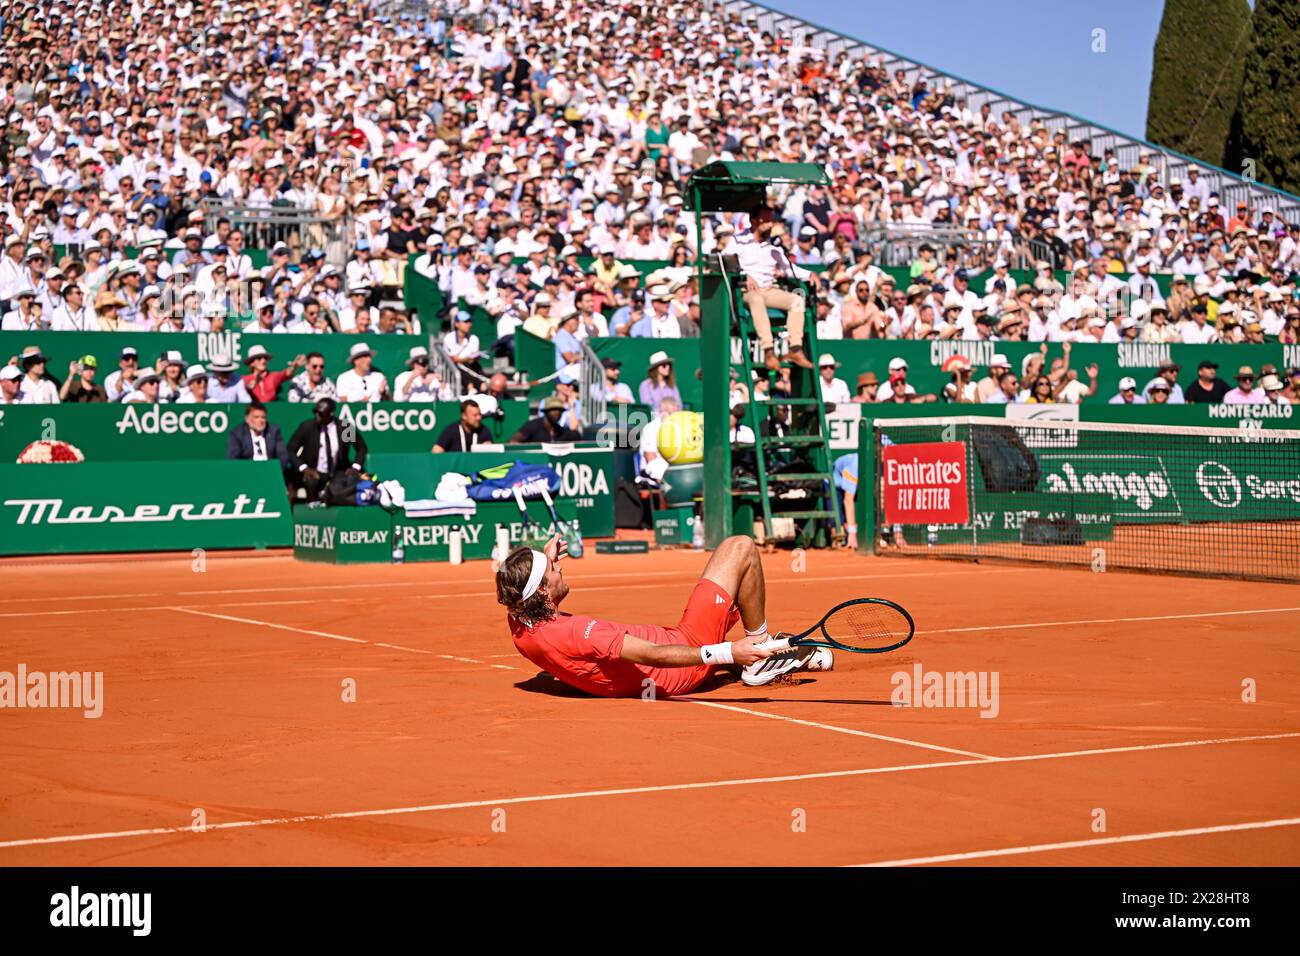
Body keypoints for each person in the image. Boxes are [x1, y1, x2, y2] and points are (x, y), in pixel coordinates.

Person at [498, 533, 833, 697]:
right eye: (554, 570)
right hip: (679, 661)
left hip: (664, 661)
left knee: (721, 649)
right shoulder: (580, 632)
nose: (560, 568)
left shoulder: (520, 625)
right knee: (740, 546)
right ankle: (759, 653)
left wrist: (544, 557)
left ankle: (755, 656)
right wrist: (730, 650)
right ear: (542, 590)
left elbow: (526, 594)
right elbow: (653, 654)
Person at [735, 204, 815, 371]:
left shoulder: (774, 246)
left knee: (797, 300)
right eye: (766, 220)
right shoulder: (738, 240)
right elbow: (725, 261)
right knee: (756, 299)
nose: (771, 224)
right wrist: (744, 274)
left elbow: (789, 269)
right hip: (746, 290)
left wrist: (810, 275)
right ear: (753, 220)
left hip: (769, 289)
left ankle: (795, 349)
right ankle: (768, 351)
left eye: (772, 220)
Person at [288, 398, 369, 501]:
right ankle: (312, 508)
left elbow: (361, 448)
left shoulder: (345, 427)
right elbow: (290, 450)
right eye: (315, 412)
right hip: (314, 471)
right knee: (311, 481)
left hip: (337, 471)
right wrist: (304, 468)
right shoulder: (307, 426)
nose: (317, 416)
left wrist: (355, 467)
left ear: (331, 414)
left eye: (321, 414)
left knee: (355, 479)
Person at [226, 401, 291, 479]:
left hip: (270, 473)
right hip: (247, 474)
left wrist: (275, 473)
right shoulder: (237, 434)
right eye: (256, 417)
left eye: (263, 417)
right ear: (247, 419)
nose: (261, 421)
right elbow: (232, 459)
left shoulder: (274, 431)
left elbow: (283, 455)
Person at [509, 395, 583, 443]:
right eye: (553, 409)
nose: (557, 412)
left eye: (559, 410)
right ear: (546, 412)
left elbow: (576, 436)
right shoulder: (533, 426)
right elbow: (514, 440)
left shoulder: (560, 431)